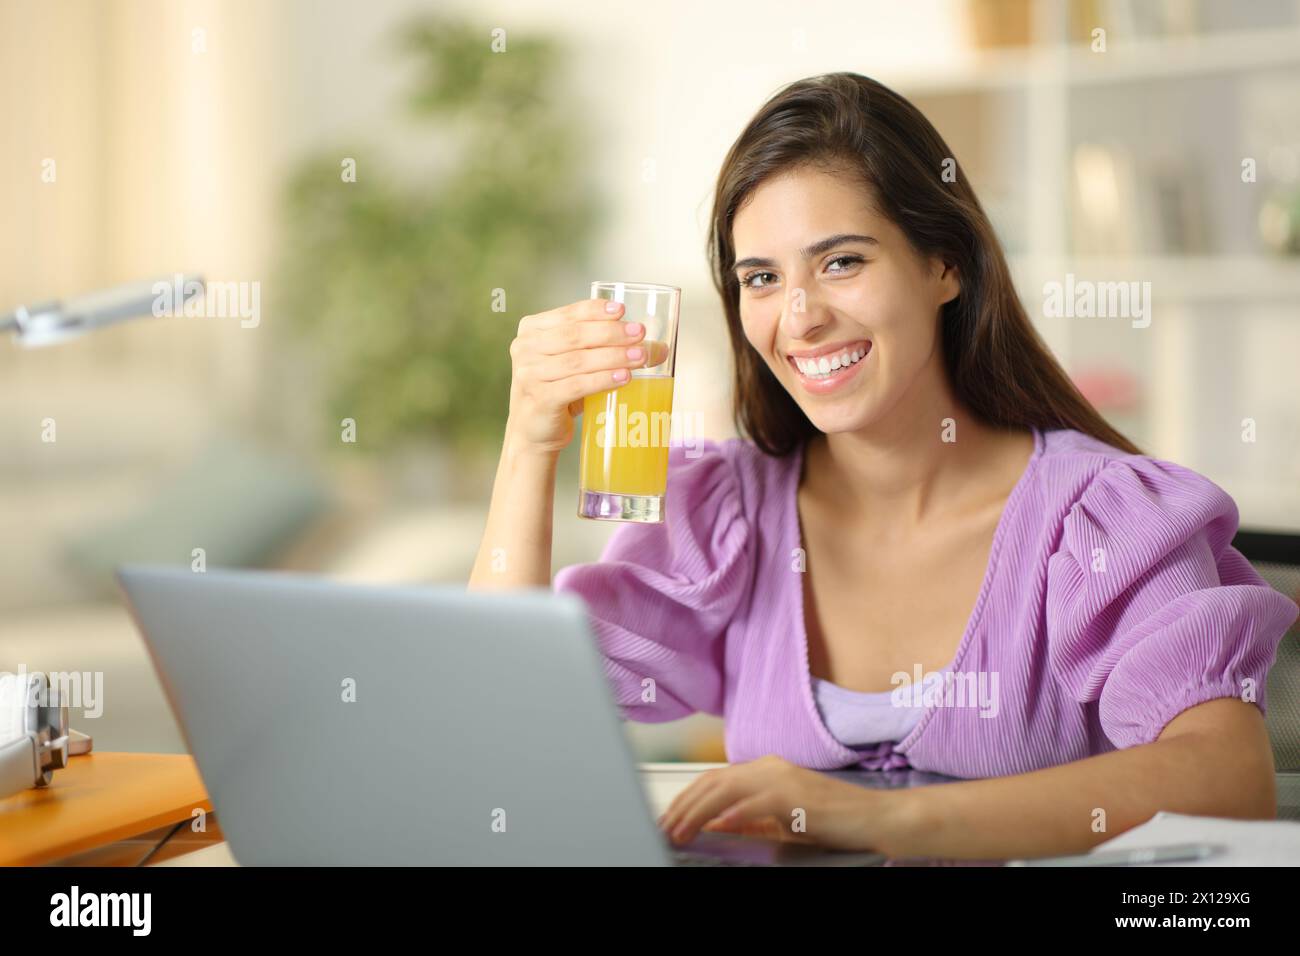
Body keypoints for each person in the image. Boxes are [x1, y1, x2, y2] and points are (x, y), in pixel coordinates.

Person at [468, 72, 1299, 860]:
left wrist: (883, 819)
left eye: (841, 262)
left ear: (945, 265)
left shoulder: (1099, 518)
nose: (802, 318)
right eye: (761, 277)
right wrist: (529, 444)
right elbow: (502, 717)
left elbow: (1227, 781)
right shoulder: (729, 516)